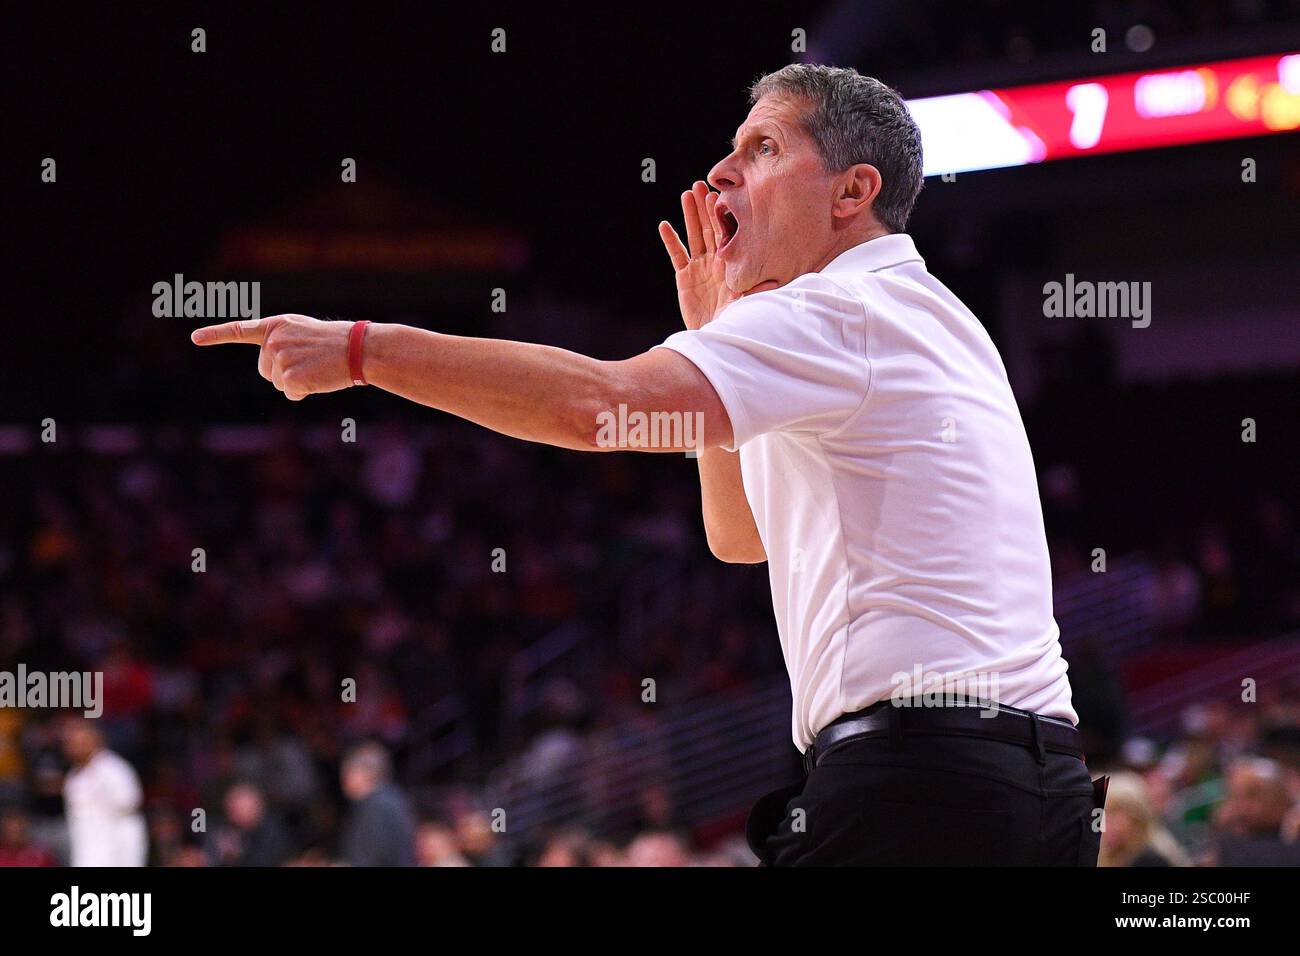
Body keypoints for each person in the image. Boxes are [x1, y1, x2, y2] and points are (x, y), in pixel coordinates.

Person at [193, 63, 1102, 865]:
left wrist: (364, 349)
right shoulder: (922, 317)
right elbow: (738, 537)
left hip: (925, 783)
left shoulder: (840, 309)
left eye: (764, 149)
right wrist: (716, 345)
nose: (722, 173)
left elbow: (600, 409)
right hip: (1014, 784)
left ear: (852, 191)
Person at [61, 718, 148, 866]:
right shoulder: (74, 777)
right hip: (87, 850)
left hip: (116, 851)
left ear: (95, 739)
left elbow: (130, 810)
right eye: (70, 743)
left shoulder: (113, 769)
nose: (75, 748)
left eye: (80, 742)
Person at [338, 742, 415, 867]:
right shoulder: (390, 798)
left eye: (348, 772)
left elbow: (371, 857)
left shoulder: (376, 806)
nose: (343, 779)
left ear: (367, 773)